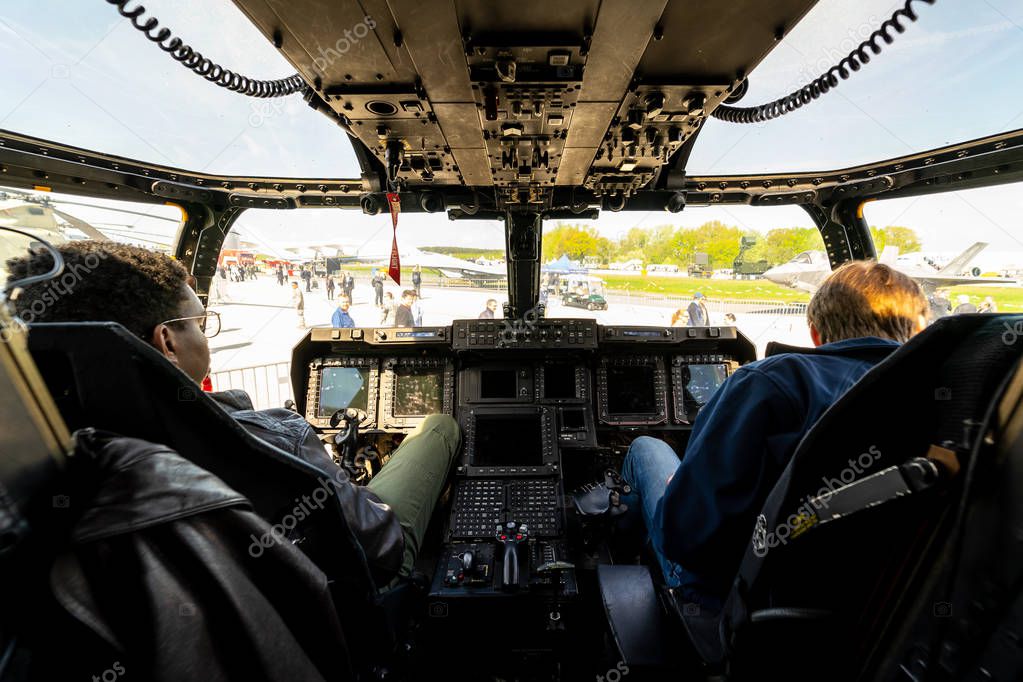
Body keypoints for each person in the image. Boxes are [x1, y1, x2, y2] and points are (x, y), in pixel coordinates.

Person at [6, 241, 461, 584]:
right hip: (355, 595)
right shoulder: (277, 435)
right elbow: (379, 544)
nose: (207, 336)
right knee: (437, 426)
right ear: (167, 341)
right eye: (200, 323)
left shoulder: (30, 477)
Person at [619, 260, 929, 612]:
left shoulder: (769, 382)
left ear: (815, 332)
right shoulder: (942, 392)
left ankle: (622, 563)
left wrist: (682, 488)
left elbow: (685, 539)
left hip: (739, 605)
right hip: (881, 614)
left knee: (647, 448)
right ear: (917, 329)